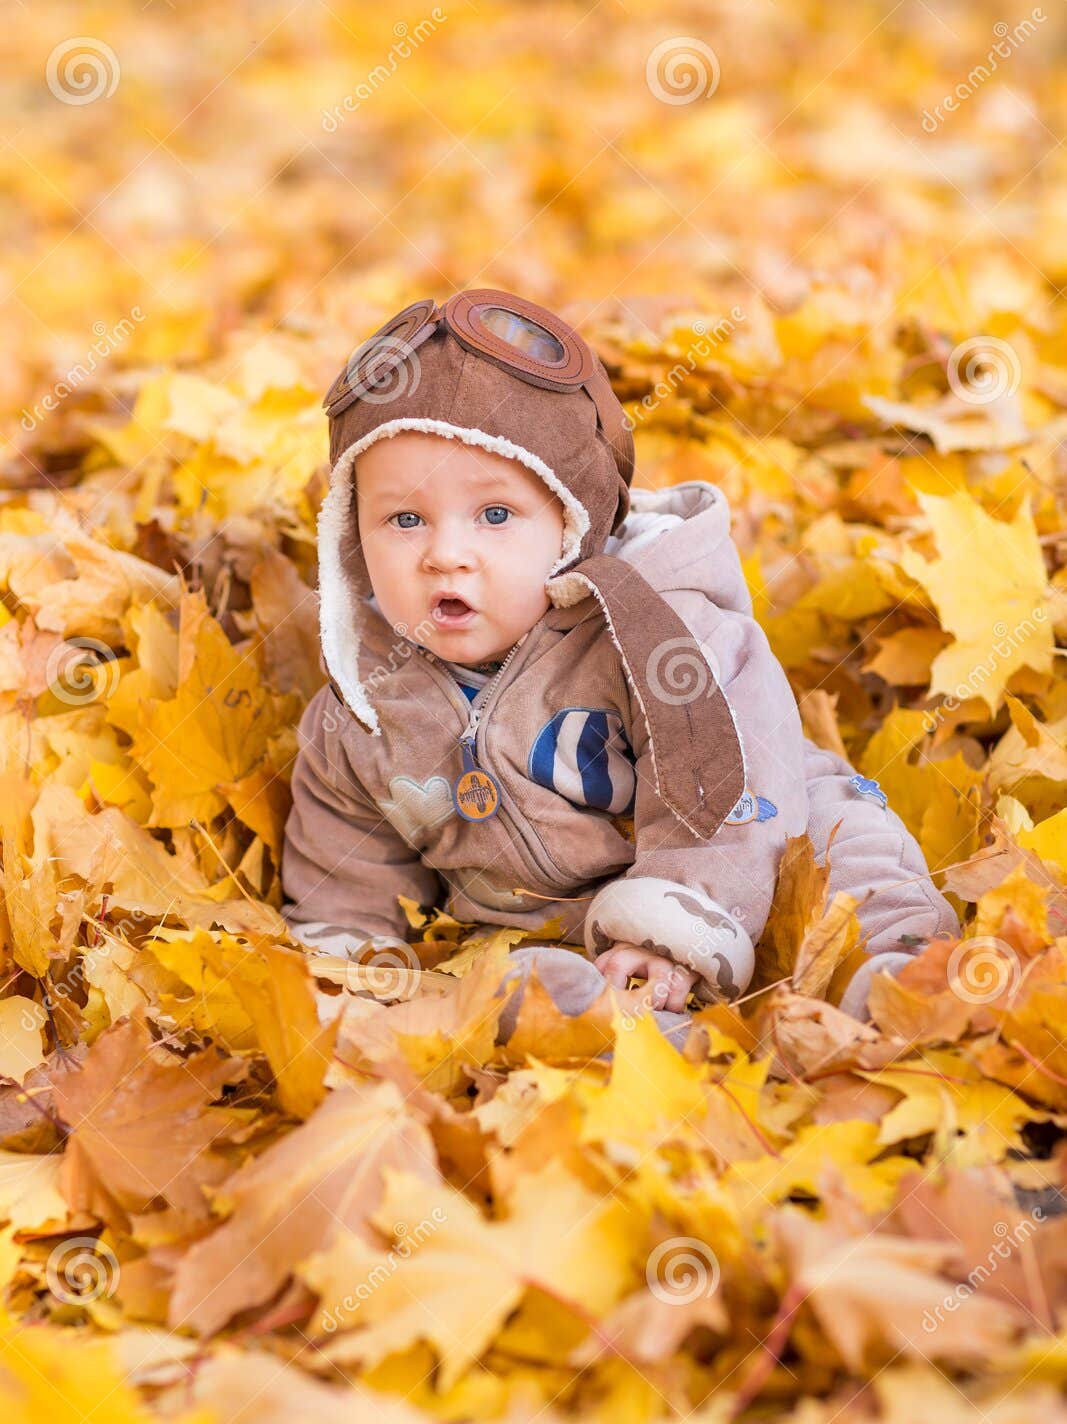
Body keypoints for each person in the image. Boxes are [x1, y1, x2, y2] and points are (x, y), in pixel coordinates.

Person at [281, 288, 958, 1045]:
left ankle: (903, 970)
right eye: (404, 519)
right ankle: (618, 1035)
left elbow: (727, 781)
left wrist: (670, 922)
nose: (445, 553)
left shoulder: (651, 634)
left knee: (838, 839)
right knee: (508, 981)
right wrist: (345, 962)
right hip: (561, 923)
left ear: (571, 525)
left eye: (495, 515)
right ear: (351, 539)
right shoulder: (364, 708)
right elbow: (346, 866)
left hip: (746, 837)